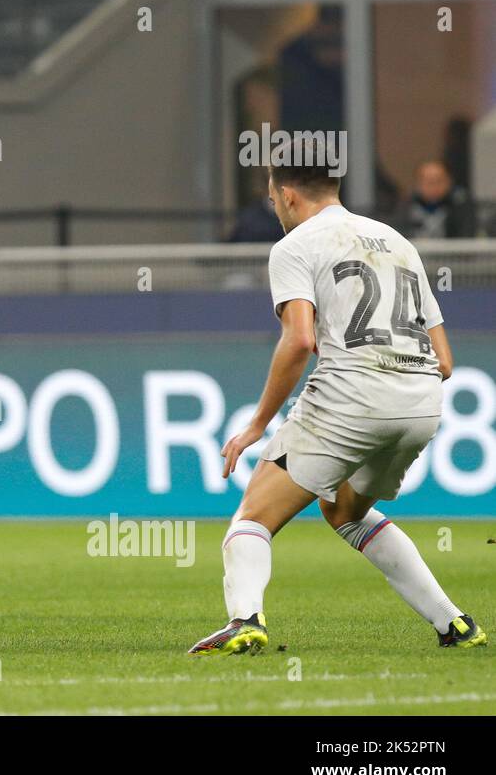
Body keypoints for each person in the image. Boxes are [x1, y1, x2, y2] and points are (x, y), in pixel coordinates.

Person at [190, 162, 486, 655]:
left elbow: (299, 340)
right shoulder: (398, 242)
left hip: (351, 396)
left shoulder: (294, 246)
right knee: (344, 510)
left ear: (287, 195)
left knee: (253, 517)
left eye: (271, 198)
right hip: (421, 404)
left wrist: (256, 426)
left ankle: (244, 621)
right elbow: (447, 362)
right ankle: (454, 624)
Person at [392, 160, 477, 240]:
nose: (434, 186)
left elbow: (466, 237)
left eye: (439, 181)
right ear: (418, 184)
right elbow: (397, 234)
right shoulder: (406, 206)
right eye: (428, 181)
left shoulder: (460, 205)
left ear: (449, 181)